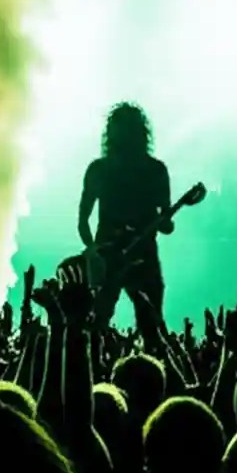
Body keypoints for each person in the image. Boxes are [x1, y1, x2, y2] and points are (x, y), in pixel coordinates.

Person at [78, 102, 174, 327]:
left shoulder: (100, 170)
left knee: (97, 325)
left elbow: (83, 220)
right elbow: (167, 225)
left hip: (120, 254)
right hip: (123, 256)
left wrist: (93, 250)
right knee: (148, 325)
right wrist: (93, 252)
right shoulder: (155, 170)